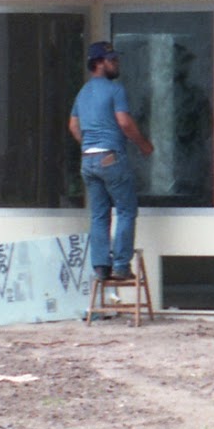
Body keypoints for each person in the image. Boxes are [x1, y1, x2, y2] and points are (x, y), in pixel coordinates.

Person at [68, 41, 154, 281]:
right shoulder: (115, 90)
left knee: (99, 214)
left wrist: (89, 146)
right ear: (98, 63)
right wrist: (144, 144)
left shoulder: (82, 92)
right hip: (110, 157)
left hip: (88, 159)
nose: (116, 64)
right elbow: (124, 122)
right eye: (112, 60)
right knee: (126, 211)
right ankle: (120, 266)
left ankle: (100, 267)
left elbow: (73, 125)